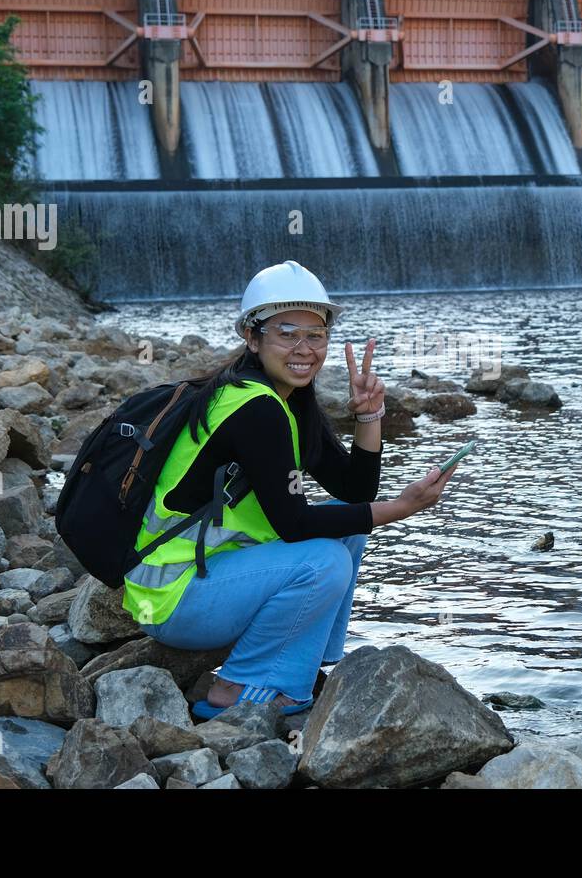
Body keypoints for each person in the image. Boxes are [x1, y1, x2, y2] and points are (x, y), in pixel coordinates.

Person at [122, 260, 458, 718]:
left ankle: (297, 666)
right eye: (287, 333)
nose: (305, 349)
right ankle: (238, 687)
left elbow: (354, 489)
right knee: (324, 560)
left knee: (347, 525)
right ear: (253, 338)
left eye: (316, 335)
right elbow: (295, 524)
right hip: (169, 597)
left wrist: (368, 416)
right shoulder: (253, 408)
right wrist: (400, 508)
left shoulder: (287, 402)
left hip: (214, 575)